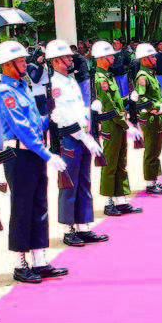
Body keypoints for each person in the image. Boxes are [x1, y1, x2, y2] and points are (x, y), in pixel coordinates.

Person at [0, 40, 70, 284]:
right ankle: (20, 264)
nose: (25, 64)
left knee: (39, 206)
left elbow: (34, 122)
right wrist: (47, 154)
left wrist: (49, 119)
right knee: (22, 209)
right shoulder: (5, 93)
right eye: (20, 61)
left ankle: (39, 260)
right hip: (20, 156)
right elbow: (22, 129)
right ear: (7, 65)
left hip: (34, 153)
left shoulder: (23, 86)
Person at [46, 39, 109, 247]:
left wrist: (90, 115)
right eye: (66, 57)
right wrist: (84, 137)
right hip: (69, 139)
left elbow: (78, 109)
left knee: (84, 181)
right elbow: (63, 116)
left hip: (82, 136)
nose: (70, 60)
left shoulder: (71, 80)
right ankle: (69, 229)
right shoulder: (55, 84)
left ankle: (83, 225)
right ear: (56, 61)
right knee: (69, 184)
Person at [91, 40, 144, 217]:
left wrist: (127, 100)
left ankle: (121, 200)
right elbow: (109, 107)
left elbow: (116, 102)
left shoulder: (108, 76)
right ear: (101, 58)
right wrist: (127, 125)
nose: (113, 58)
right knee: (110, 164)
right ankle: (108, 202)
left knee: (121, 163)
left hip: (118, 125)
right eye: (110, 56)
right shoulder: (100, 79)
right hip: (111, 125)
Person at [132, 42, 162, 195]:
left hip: (156, 118)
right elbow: (142, 100)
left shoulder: (150, 74)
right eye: (152, 57)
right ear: (144, 59)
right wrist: (161, 106)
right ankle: (150, 182)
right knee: (151, 150)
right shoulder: (143, 77)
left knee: (156, 149)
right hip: (150, 118)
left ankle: (155, 179)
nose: (155, 59)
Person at [27, 48, 50, 117]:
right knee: (44, 116)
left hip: (45, 92)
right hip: (39, 94)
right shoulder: (30, 66)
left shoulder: (40, 66)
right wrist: (40, 65)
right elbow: (35, 79)